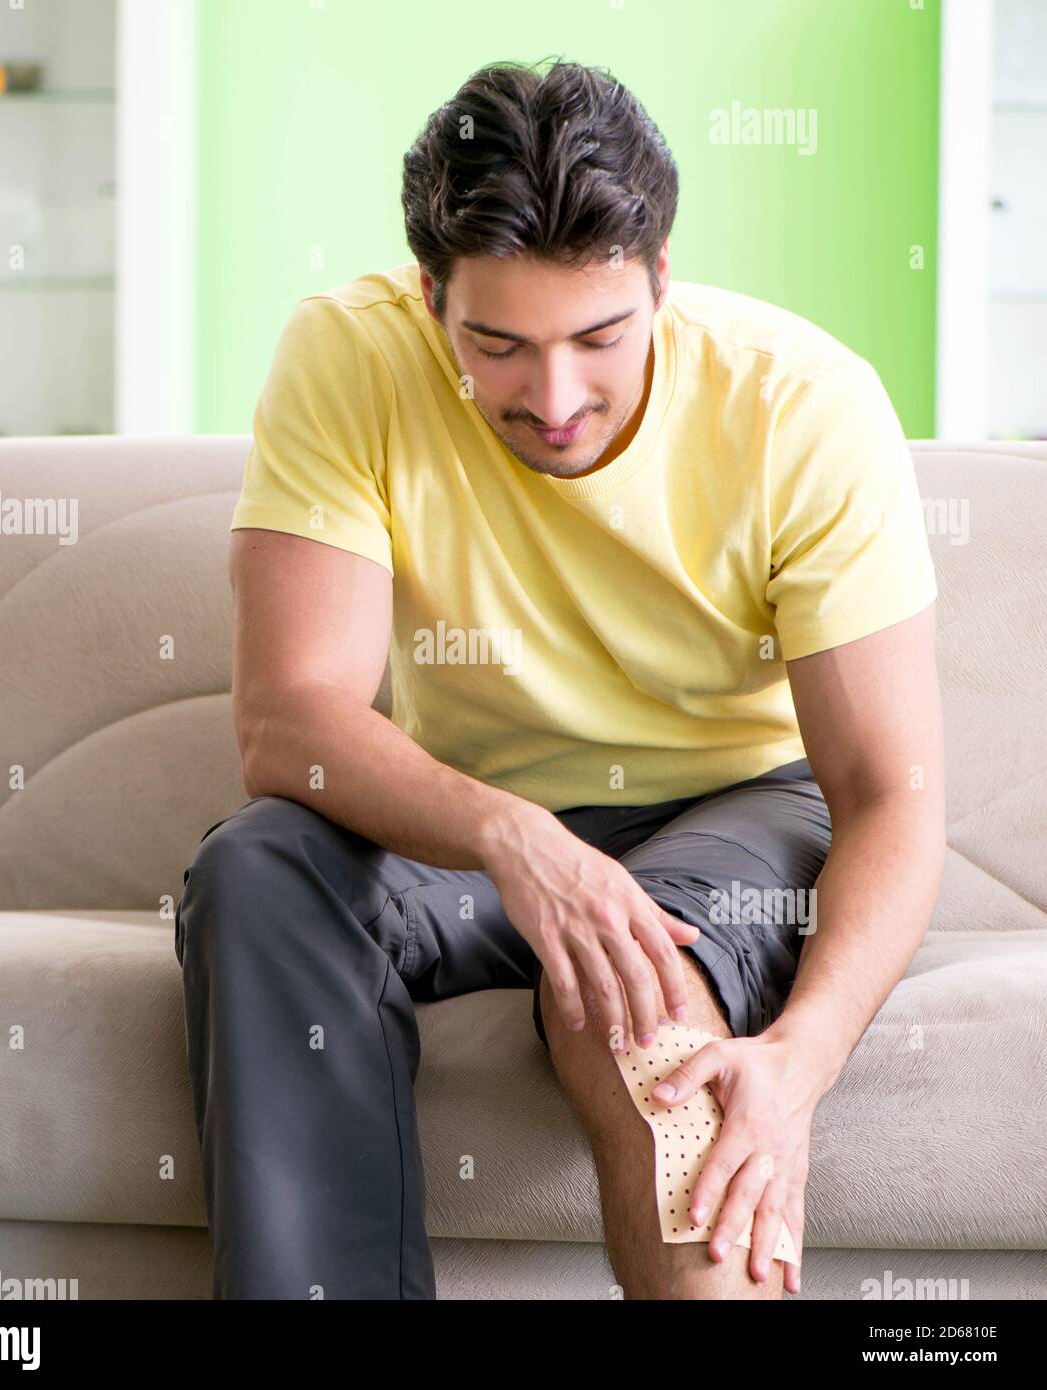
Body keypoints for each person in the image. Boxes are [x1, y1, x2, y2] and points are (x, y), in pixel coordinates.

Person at [174, 57, 945, 1300]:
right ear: (431, 298)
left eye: (601, 338)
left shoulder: (806, 405)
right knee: (259, 866)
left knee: (630, 993)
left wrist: (797, 1058)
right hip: (473, 825)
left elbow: (891, 796)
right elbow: (287, 723)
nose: (556, 398)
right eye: (498, 345)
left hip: (736, 803)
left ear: (661, 276)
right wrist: (513, 839)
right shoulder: (347, 354)